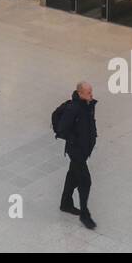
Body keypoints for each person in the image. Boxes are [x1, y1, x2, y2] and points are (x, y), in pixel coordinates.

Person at [57, 81, 98, 229]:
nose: (91, 94)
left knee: (73, 176)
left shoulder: (88, 105)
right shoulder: (73, 108)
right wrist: (75, 141)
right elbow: (62, 129)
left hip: (84, 150)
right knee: (85, 181)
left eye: (91, 91)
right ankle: (85, 214)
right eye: (88, 92)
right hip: (77, 151)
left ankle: (65, 203)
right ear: (80, 93)